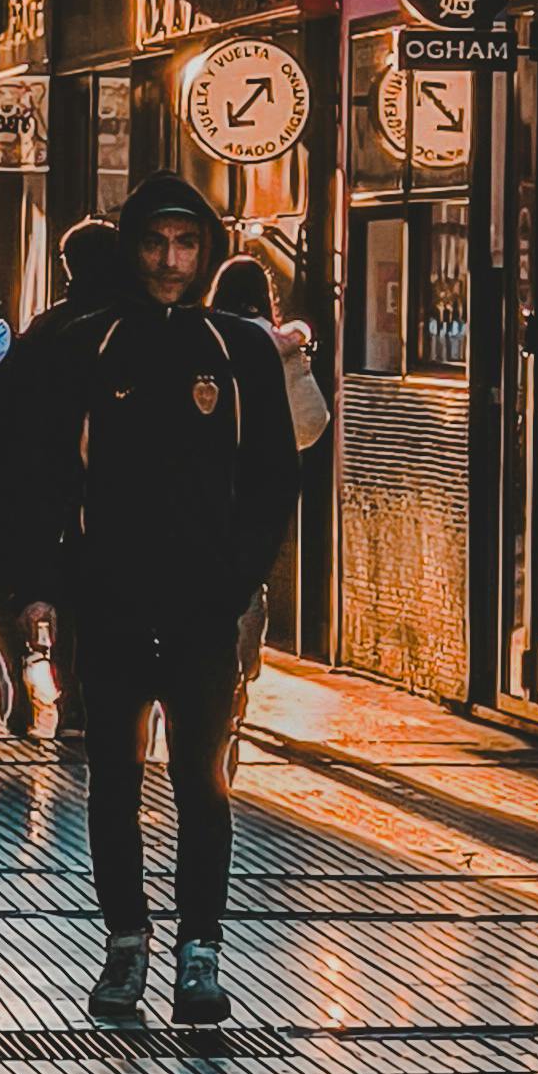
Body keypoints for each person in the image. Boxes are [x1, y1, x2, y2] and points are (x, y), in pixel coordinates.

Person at [36, 173, 299, 1030]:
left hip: (202, 609)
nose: (170, 261)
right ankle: (125, 941)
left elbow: (272, 479)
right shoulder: (88, 344)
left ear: (209, 250)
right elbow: (43, 477)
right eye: (155, 242)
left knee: (203, 781)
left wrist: (240, 580)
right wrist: (54, 585)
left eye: (187, 245)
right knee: (112, 780)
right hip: (108, 605)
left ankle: (201, 950)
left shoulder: (240, 350)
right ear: (131, 244)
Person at [0, 218, 123, 738]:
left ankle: (49, 685)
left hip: (47, 480)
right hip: (115, 481)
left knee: (53, 586)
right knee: (99, 593)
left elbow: (20, 410)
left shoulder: (48, 328)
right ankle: (87, 698)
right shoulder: (132, 322)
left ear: (68, 266)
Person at [208, 251, 328, 740]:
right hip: (262, 479)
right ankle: (240, 670)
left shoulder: (206, 338)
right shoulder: (278, 346)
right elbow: (313, 419)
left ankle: (212, 672)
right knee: (251, 578)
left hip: (211, 475)